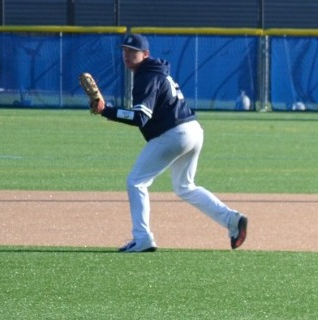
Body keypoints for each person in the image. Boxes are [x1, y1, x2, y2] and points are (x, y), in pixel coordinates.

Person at [92, 32, 247, 253]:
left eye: (132, 51)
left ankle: (142, 238)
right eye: (124, 50)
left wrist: (106, 110)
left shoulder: (146, 76)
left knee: (136, 182)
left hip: (174, 134)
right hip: (193, 130)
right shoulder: (156, 73)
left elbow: (140, 117)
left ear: (145, 54)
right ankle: (232, 220)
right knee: (185, 187)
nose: (126, 55)